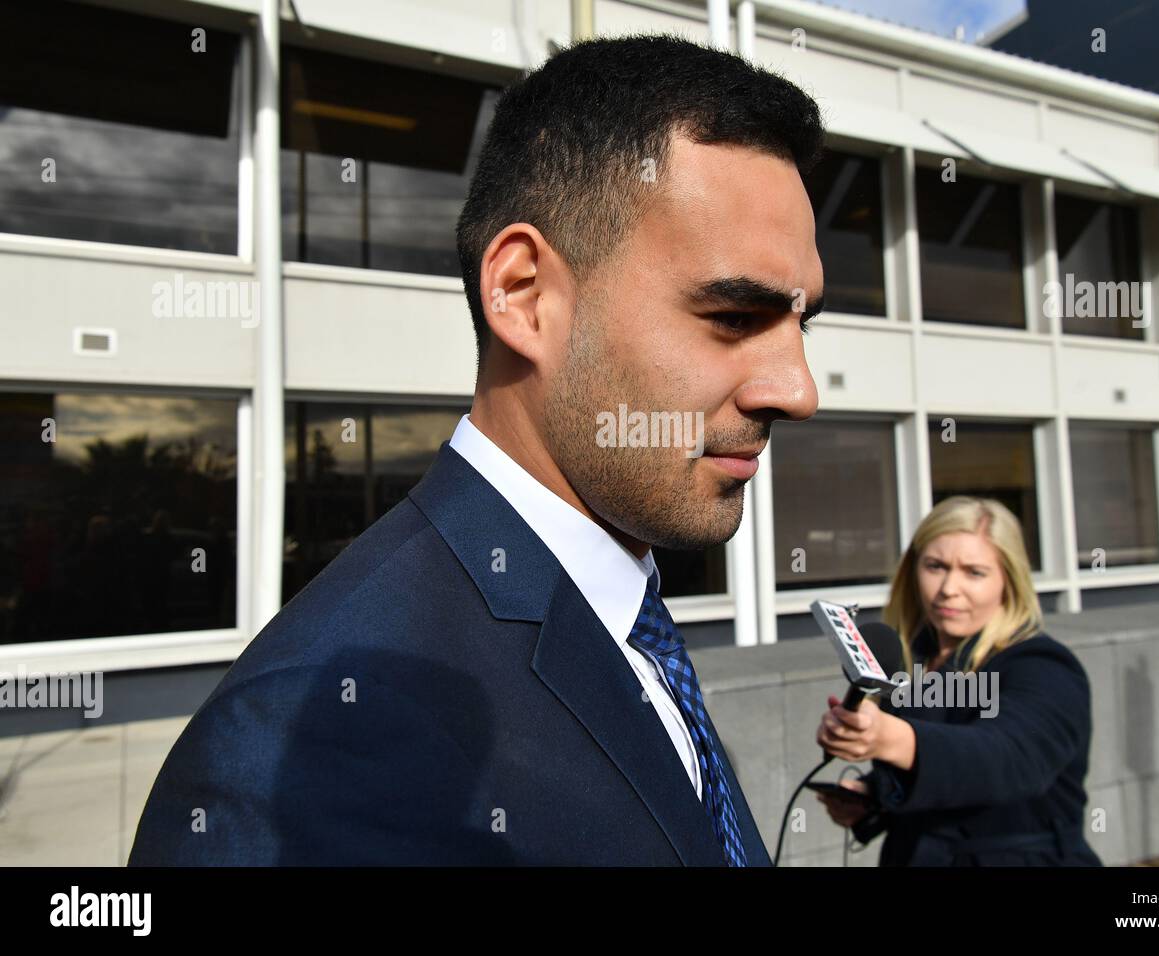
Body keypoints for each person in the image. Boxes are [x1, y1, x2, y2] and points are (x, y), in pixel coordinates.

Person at [129, 34, 825, 866]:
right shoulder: (308, 750)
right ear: (525, 297)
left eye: (800, 322)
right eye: (734, 318)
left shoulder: (626, 614)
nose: (798, 388)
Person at [815, 496, 1103, 865]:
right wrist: (871, 797)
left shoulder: (1044, 665)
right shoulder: (912, 659)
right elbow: (935, 785)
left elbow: (1007, 758)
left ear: (1009, 581)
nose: (949, 587)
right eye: (935, 566)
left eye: (974, 572)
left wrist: (888, 738)